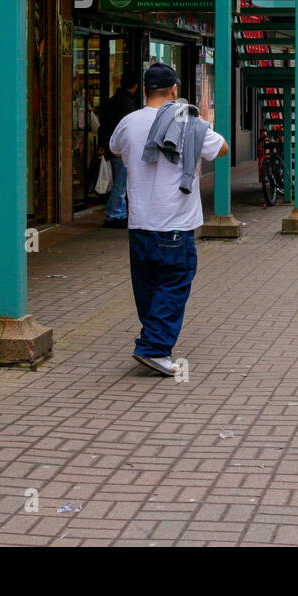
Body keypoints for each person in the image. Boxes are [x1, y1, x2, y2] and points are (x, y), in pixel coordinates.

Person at [108, 63, 228, 377]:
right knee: (174, 283)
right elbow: (222, 149)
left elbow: (116, 149)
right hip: (176, 222)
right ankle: (153, 348)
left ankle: (154, 340)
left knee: (147, 284)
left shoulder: (128, 122)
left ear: (145, 90)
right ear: (174, 89)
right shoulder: (188, 122)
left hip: (139, 222)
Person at [97, 70, 141, 228]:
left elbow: (104, 124)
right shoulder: (127, 103)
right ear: (135, 86)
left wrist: (103, 144)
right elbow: (128, 128)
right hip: (120, 149)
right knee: (120, 183)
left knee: (120, 181)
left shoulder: (113, 100)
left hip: (112, 145)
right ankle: (115, 214)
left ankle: (116, 211)